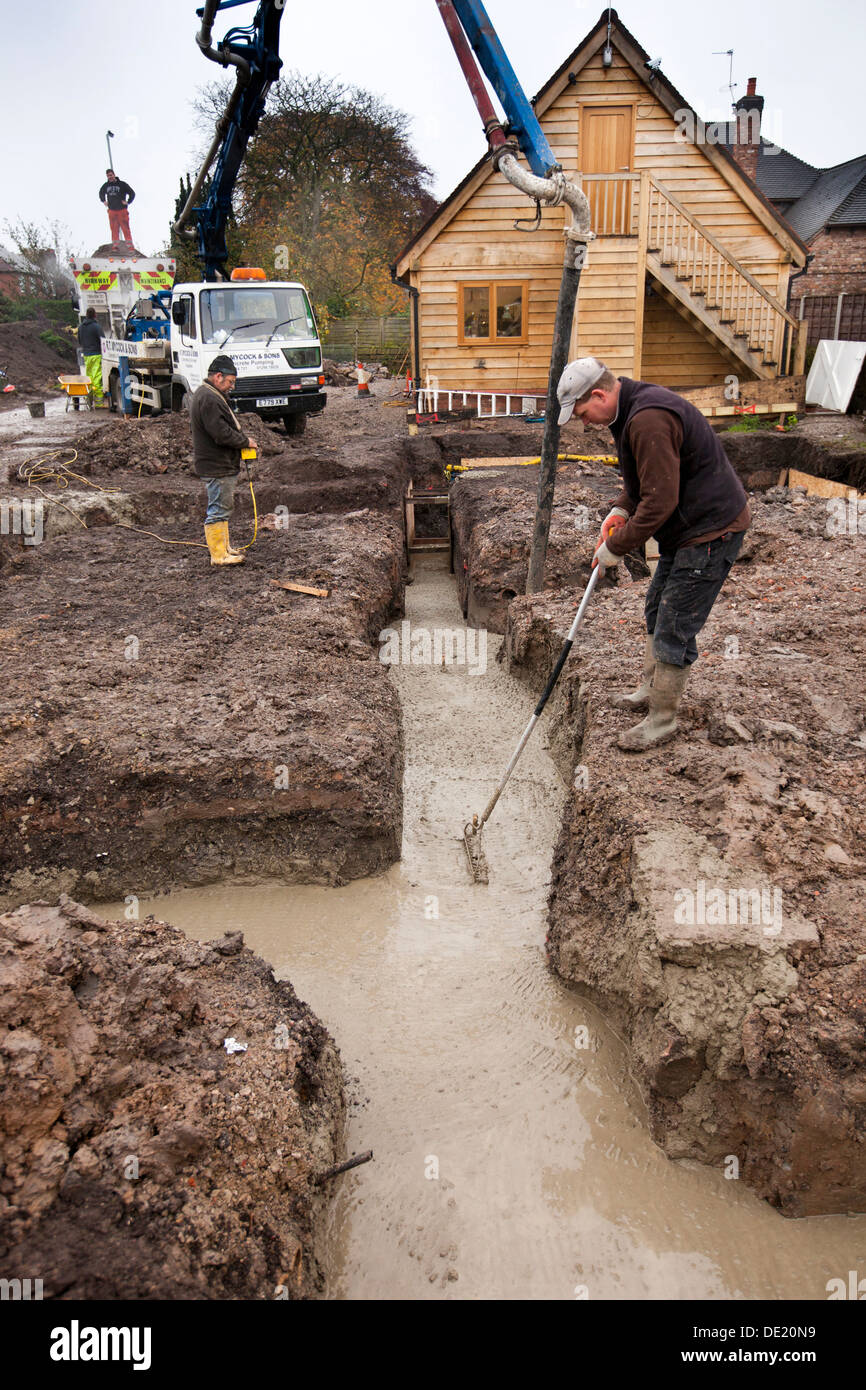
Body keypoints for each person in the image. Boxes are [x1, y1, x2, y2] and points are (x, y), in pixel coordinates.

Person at [558, 357, 750, 751]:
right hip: (686, 531)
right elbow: (645, 482)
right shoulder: (627, 411)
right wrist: (620, 508)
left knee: (674, 625)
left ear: (598, 394)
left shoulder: (648, 419)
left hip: (710, 532)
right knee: (656, 607)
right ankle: (651, 687)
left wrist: (615, 547)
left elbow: (660, 501)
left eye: (582, 412)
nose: (584, 422)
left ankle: (663, 720)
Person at [190, 355, 255, 566]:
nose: (231, 386)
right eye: (230, 381)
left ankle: (224, 548)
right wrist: (245, 442)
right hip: (216, 464)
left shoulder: (209, 394)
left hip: (219, 463)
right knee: (218, 508)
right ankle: (218, 555)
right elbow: (221, 433)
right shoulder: (209, 398)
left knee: (223, 507)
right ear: (218, 377)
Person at [98, 169, 135, 243]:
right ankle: (115, 246)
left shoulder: (122, 184)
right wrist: (104, 201)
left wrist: (128, 202)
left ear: (114, 175)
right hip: (112, 210)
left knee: (125, 228)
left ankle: (129, 246)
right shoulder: (106, 185)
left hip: (122, 210)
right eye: (108, 176)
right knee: (114, 229)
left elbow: (132, 193)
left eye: (111, 175)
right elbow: (101, 193)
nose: (110, 177)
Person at [77, 308, 105, 404]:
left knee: (89, 378)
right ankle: (99, 402)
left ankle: (89, 401)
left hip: (86, 355)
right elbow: (103, 340)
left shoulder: (81, 327)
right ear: (94, 315)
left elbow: (79, 340)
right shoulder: (96, 326)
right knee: (97, 377)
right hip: (96, 354)